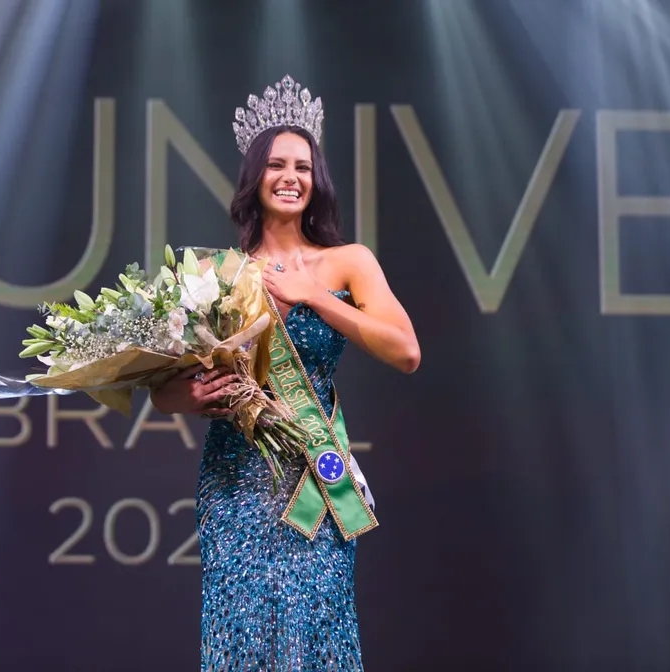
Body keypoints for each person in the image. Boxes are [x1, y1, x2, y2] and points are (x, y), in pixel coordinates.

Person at [150, 74, 420, 671]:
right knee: (243, 633)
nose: (291, 177)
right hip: (236, 479)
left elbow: (405, 351)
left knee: (316, 625)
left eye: (303, 165)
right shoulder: (216, 273)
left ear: (316, 178)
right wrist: (189, 395)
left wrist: (317, 296)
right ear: (255, 177)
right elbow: (162, 392)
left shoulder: (348, 263)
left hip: (314, 484)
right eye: (276, 165)